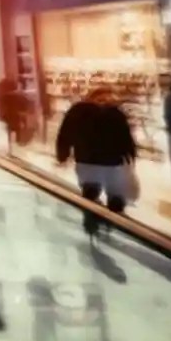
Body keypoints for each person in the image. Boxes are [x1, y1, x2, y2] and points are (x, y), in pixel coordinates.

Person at [56, 87, 136, 236]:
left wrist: (63, 154)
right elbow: (126, 138)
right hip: (111, 163)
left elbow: (65, 134)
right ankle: (114, 225)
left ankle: (91, 224)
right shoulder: (115, 113)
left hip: (87, 162)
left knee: (90, 193)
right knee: (115, 195)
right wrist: (130, 156)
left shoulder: (77, 111)